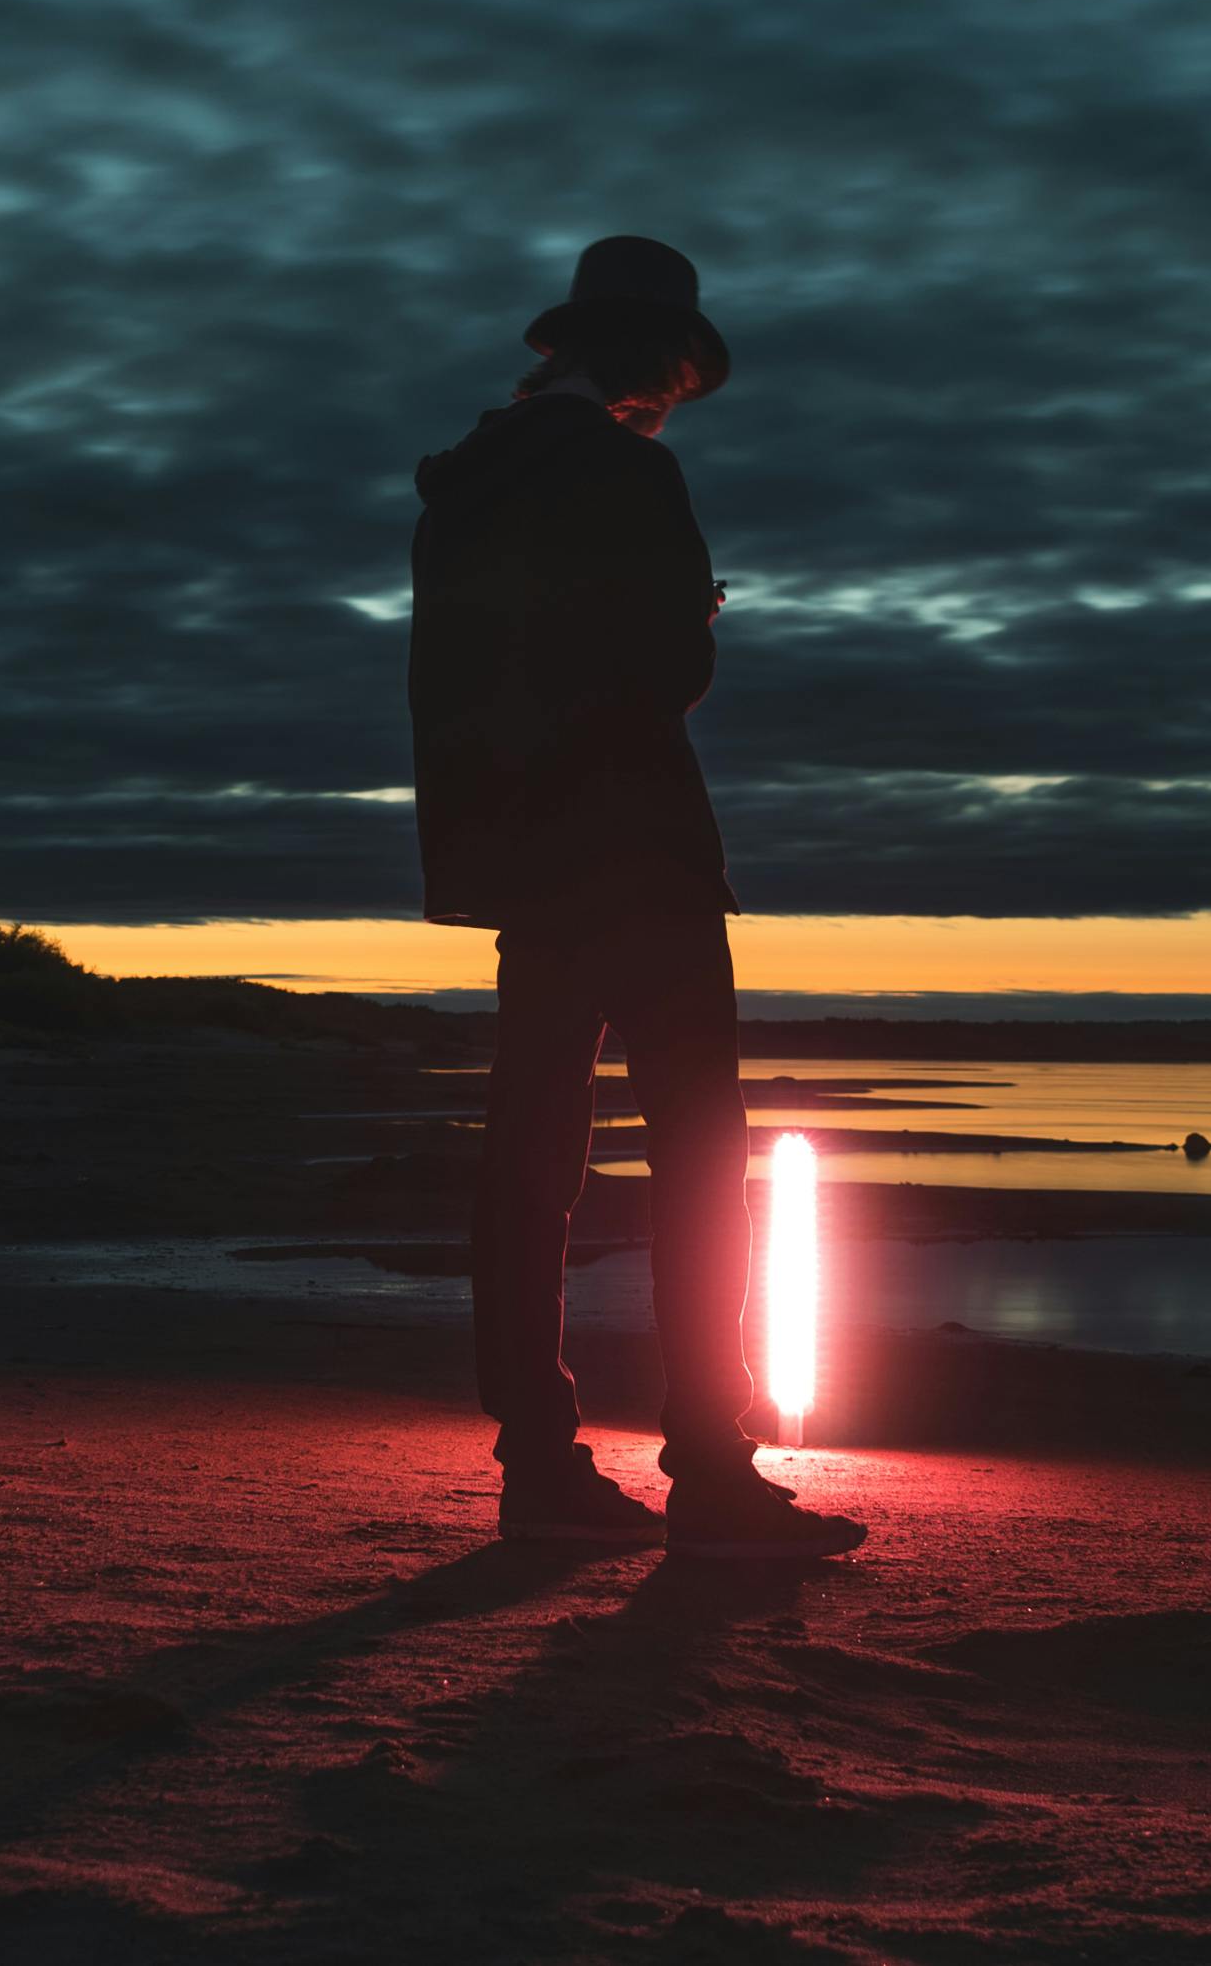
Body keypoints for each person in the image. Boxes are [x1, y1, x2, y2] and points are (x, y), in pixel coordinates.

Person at [408, 236, 865, 1558]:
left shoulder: (464, 489)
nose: (676, 395)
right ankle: (710, 1474)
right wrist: (697, 615)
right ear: (653, 360)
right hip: (642, 852)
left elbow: (469, 685)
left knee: (530, 1164)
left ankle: (537, 1468)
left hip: (525, 858)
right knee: (698, 1160)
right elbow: (660, 668)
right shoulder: (628, 469)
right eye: (677, 369)